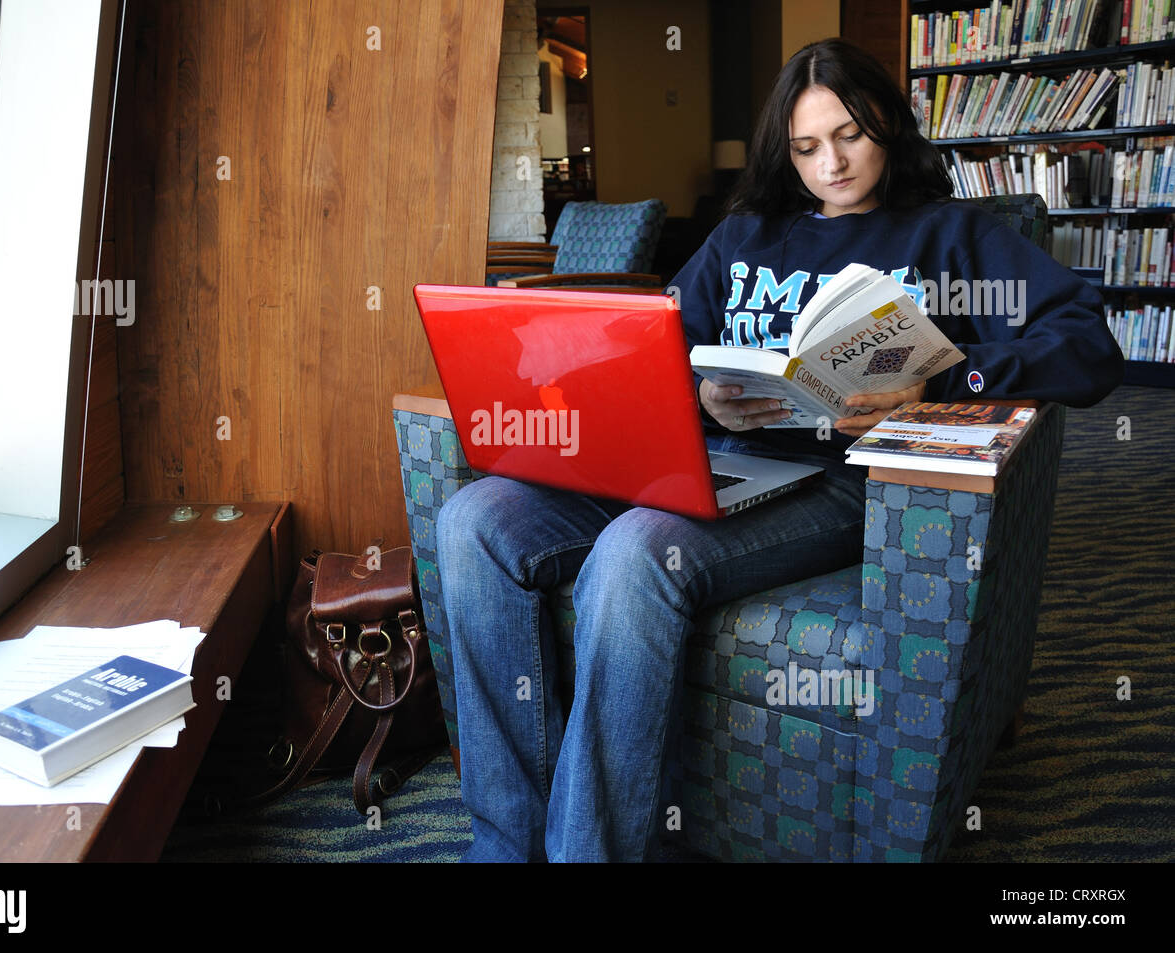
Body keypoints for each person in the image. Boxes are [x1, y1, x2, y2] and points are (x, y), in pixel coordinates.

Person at [435, 37, 1125, 863]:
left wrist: (944, 385)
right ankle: (506, 844)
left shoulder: (951, 239)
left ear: (888, 128)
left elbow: (1088, 343)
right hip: (709, 456)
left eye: (850, 136)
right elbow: (652, 343)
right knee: (472, 520)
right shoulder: (746, 236)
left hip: (835, 481)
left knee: (633, 554)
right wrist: (697, 391)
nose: (830, 163)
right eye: (805, 147)